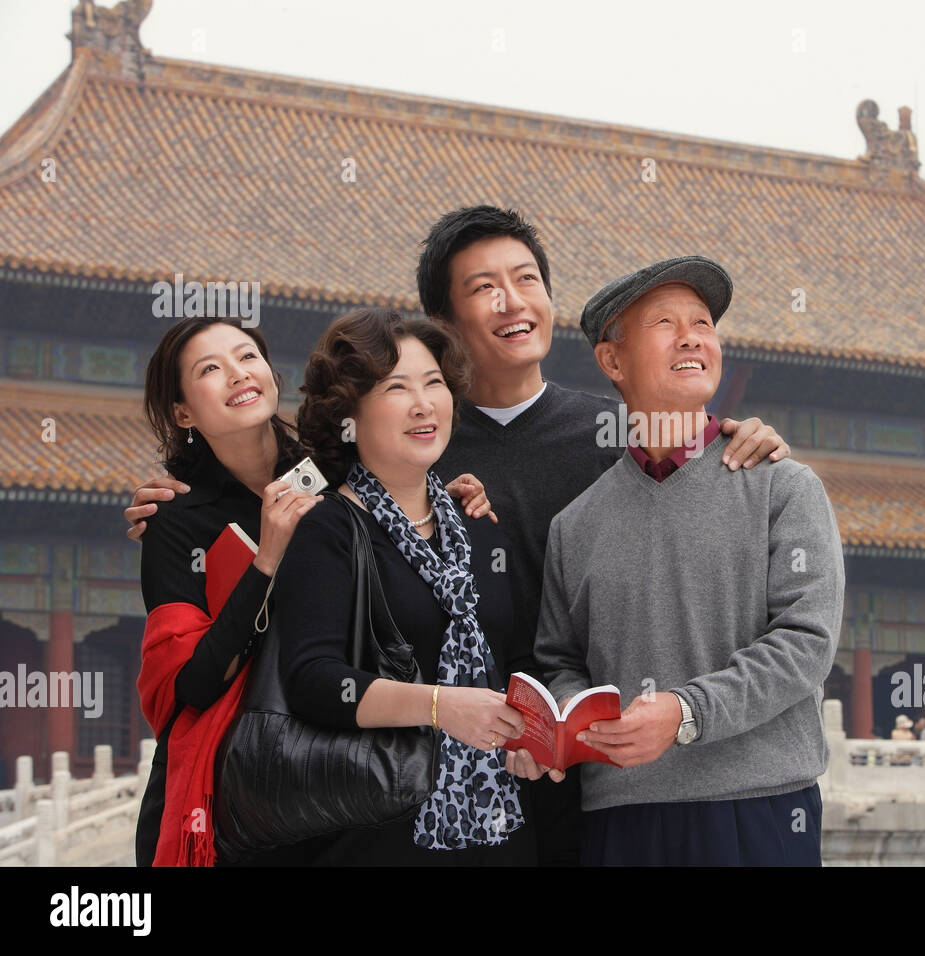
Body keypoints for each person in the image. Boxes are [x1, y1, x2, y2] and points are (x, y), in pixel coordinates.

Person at [124, 205, 791, 865]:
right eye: (483, 288)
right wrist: (194, 508)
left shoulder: (602, 443)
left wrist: (739, 440)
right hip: (381, 795)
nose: (512, 302)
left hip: (562, 776)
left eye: (526, 279)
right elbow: (298, 524)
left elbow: (682, 483)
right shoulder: (376, 469)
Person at [532, 257, 844, 865]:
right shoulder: (575, 526)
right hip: (622, 818)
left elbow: (807, 641)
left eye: (703, 322)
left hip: (758, 808)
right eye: (664, 322)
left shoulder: (782, 486)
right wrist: (579, 722)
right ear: (613, 361)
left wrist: (686, 712)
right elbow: (559, 660)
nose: (693, 336)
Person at [265, 308, 549, 864]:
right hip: (378, 829)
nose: (424, 404)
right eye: (397, 387)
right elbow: (313, 682)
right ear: (349, 413)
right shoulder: (328, 527)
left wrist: (534, 738)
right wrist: (440, 706)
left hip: (500, 825)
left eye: (435, 384)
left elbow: (516, 659)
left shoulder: (477, 526)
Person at [135, 317, 324, 866]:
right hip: (230, 791)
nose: (238, 374)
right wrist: (265, 559)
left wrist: (451, 494)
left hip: (335, 775)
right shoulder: (173, 520)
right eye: (210, 369)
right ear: (183, 413)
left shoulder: (336, 477)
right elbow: (193, 685)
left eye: (248, 357)